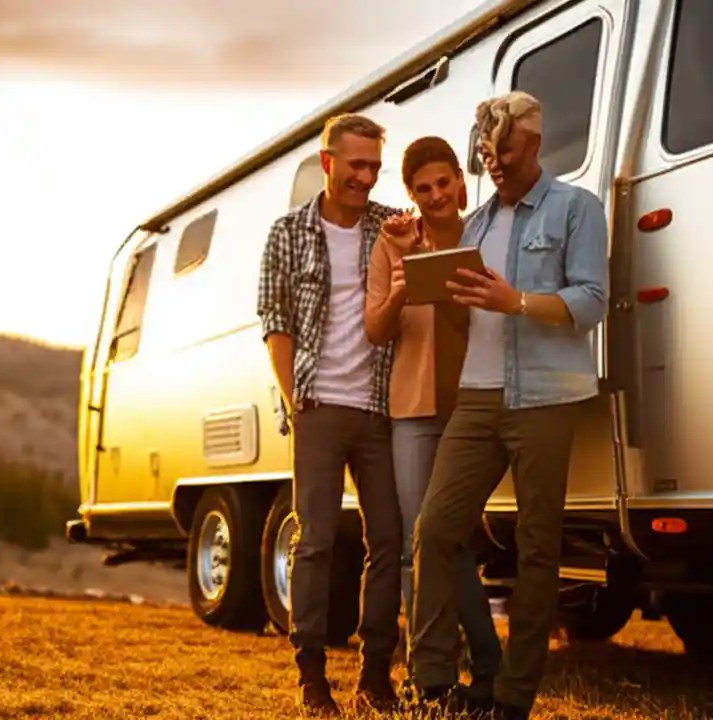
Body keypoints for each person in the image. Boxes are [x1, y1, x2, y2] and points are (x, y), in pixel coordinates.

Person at [407, 91, 609, 720]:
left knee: (536, 547)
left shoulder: (578, 207)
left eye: (506, 150)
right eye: (486, 152)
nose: (493, 162)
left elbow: (592, 302)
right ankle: (434, 683)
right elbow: (466, 313)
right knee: (435, 530)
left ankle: (512, 699)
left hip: (545, 398)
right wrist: (430, 277)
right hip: (478, 395)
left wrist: (515, 301)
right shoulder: (477, 225)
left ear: (536, 143)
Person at [256, 112, 405, 715]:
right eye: (355, 166)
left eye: (373, 166)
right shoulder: (286, 233)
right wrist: (298, 401)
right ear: (327, 163)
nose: (366, 177)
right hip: (318, 405)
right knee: (314, 541)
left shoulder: (391, 228)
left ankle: (374, 678)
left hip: (377, 408)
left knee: (388, 541)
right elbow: (276, 321)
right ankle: (310, 678)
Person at [363, 135, 503, 704]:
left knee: (449, 540)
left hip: (474, 407)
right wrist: (401, 285)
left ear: (460, 183)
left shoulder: (488, 234)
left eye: (444, 183)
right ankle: (439, 678)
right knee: (420, 544)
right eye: (423, 188)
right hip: (415, 412)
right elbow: (375, 329)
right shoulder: (393, 242)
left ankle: (480, 667)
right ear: (411, 195)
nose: (436, 195)